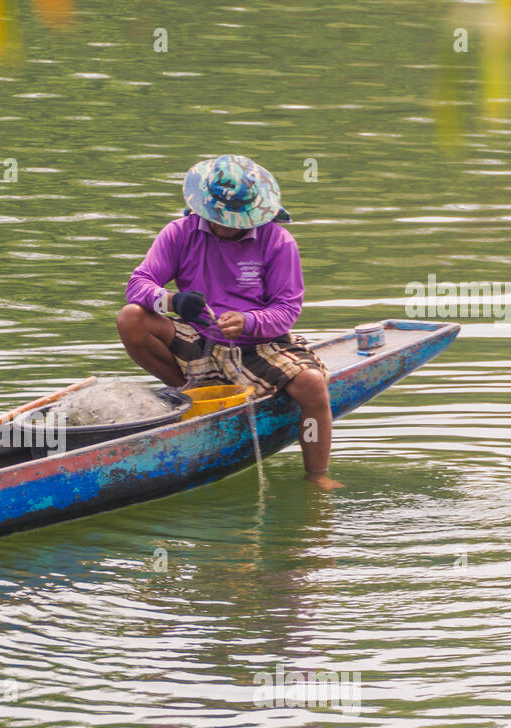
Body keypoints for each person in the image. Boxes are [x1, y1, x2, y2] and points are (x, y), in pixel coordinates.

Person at [117, 154, 342, 490]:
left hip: (258, 343)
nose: (233, 225)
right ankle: (191, 390)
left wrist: (249, 321)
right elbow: (138, 284)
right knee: (130, 318)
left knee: (311, 385)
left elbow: (287, 309)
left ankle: (317, 473)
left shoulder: (278, 242)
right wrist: (172, 300)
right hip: (199, 336)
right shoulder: (178, 234)